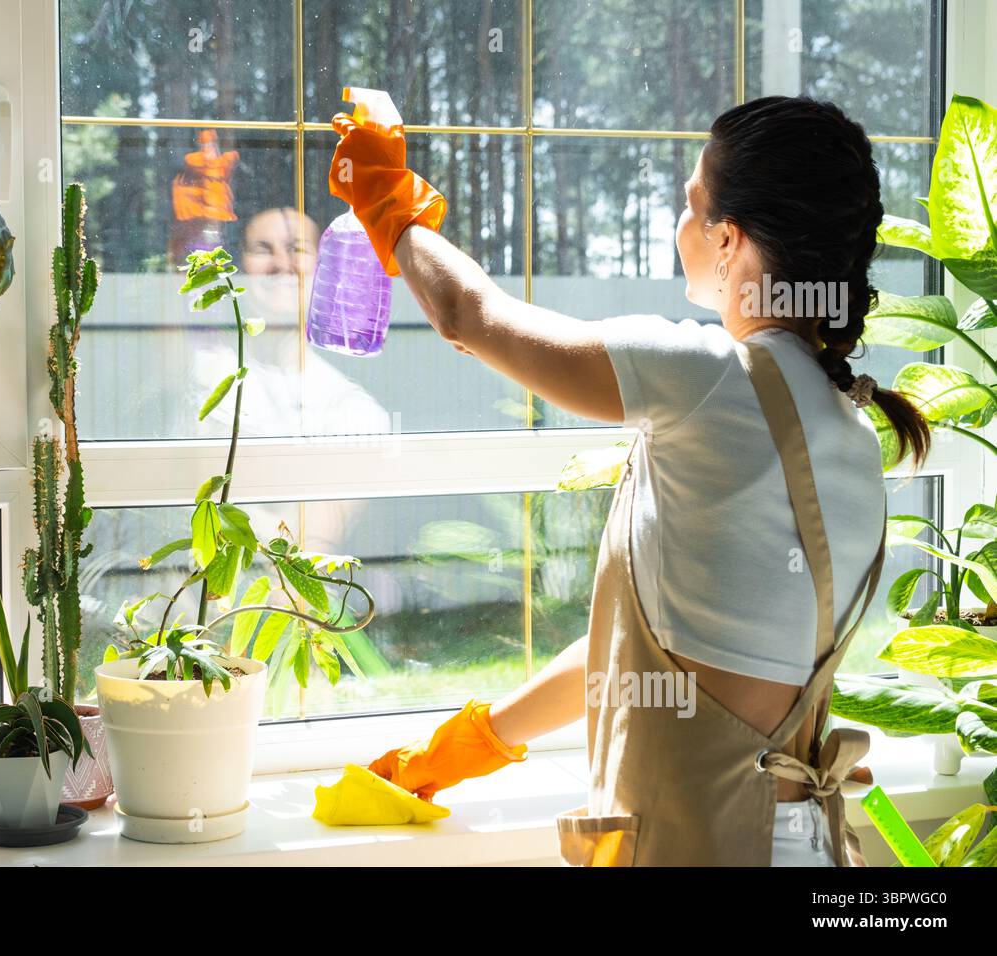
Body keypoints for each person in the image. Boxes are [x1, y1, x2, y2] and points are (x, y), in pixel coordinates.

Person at [329, 95, 929, 866]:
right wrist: (467, 746)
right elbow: (655, 661)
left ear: (728, 239)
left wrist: (385, 197)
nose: (678, 225)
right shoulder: (850, 428)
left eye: (691, 204)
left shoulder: (708, 379)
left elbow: (466, 313)